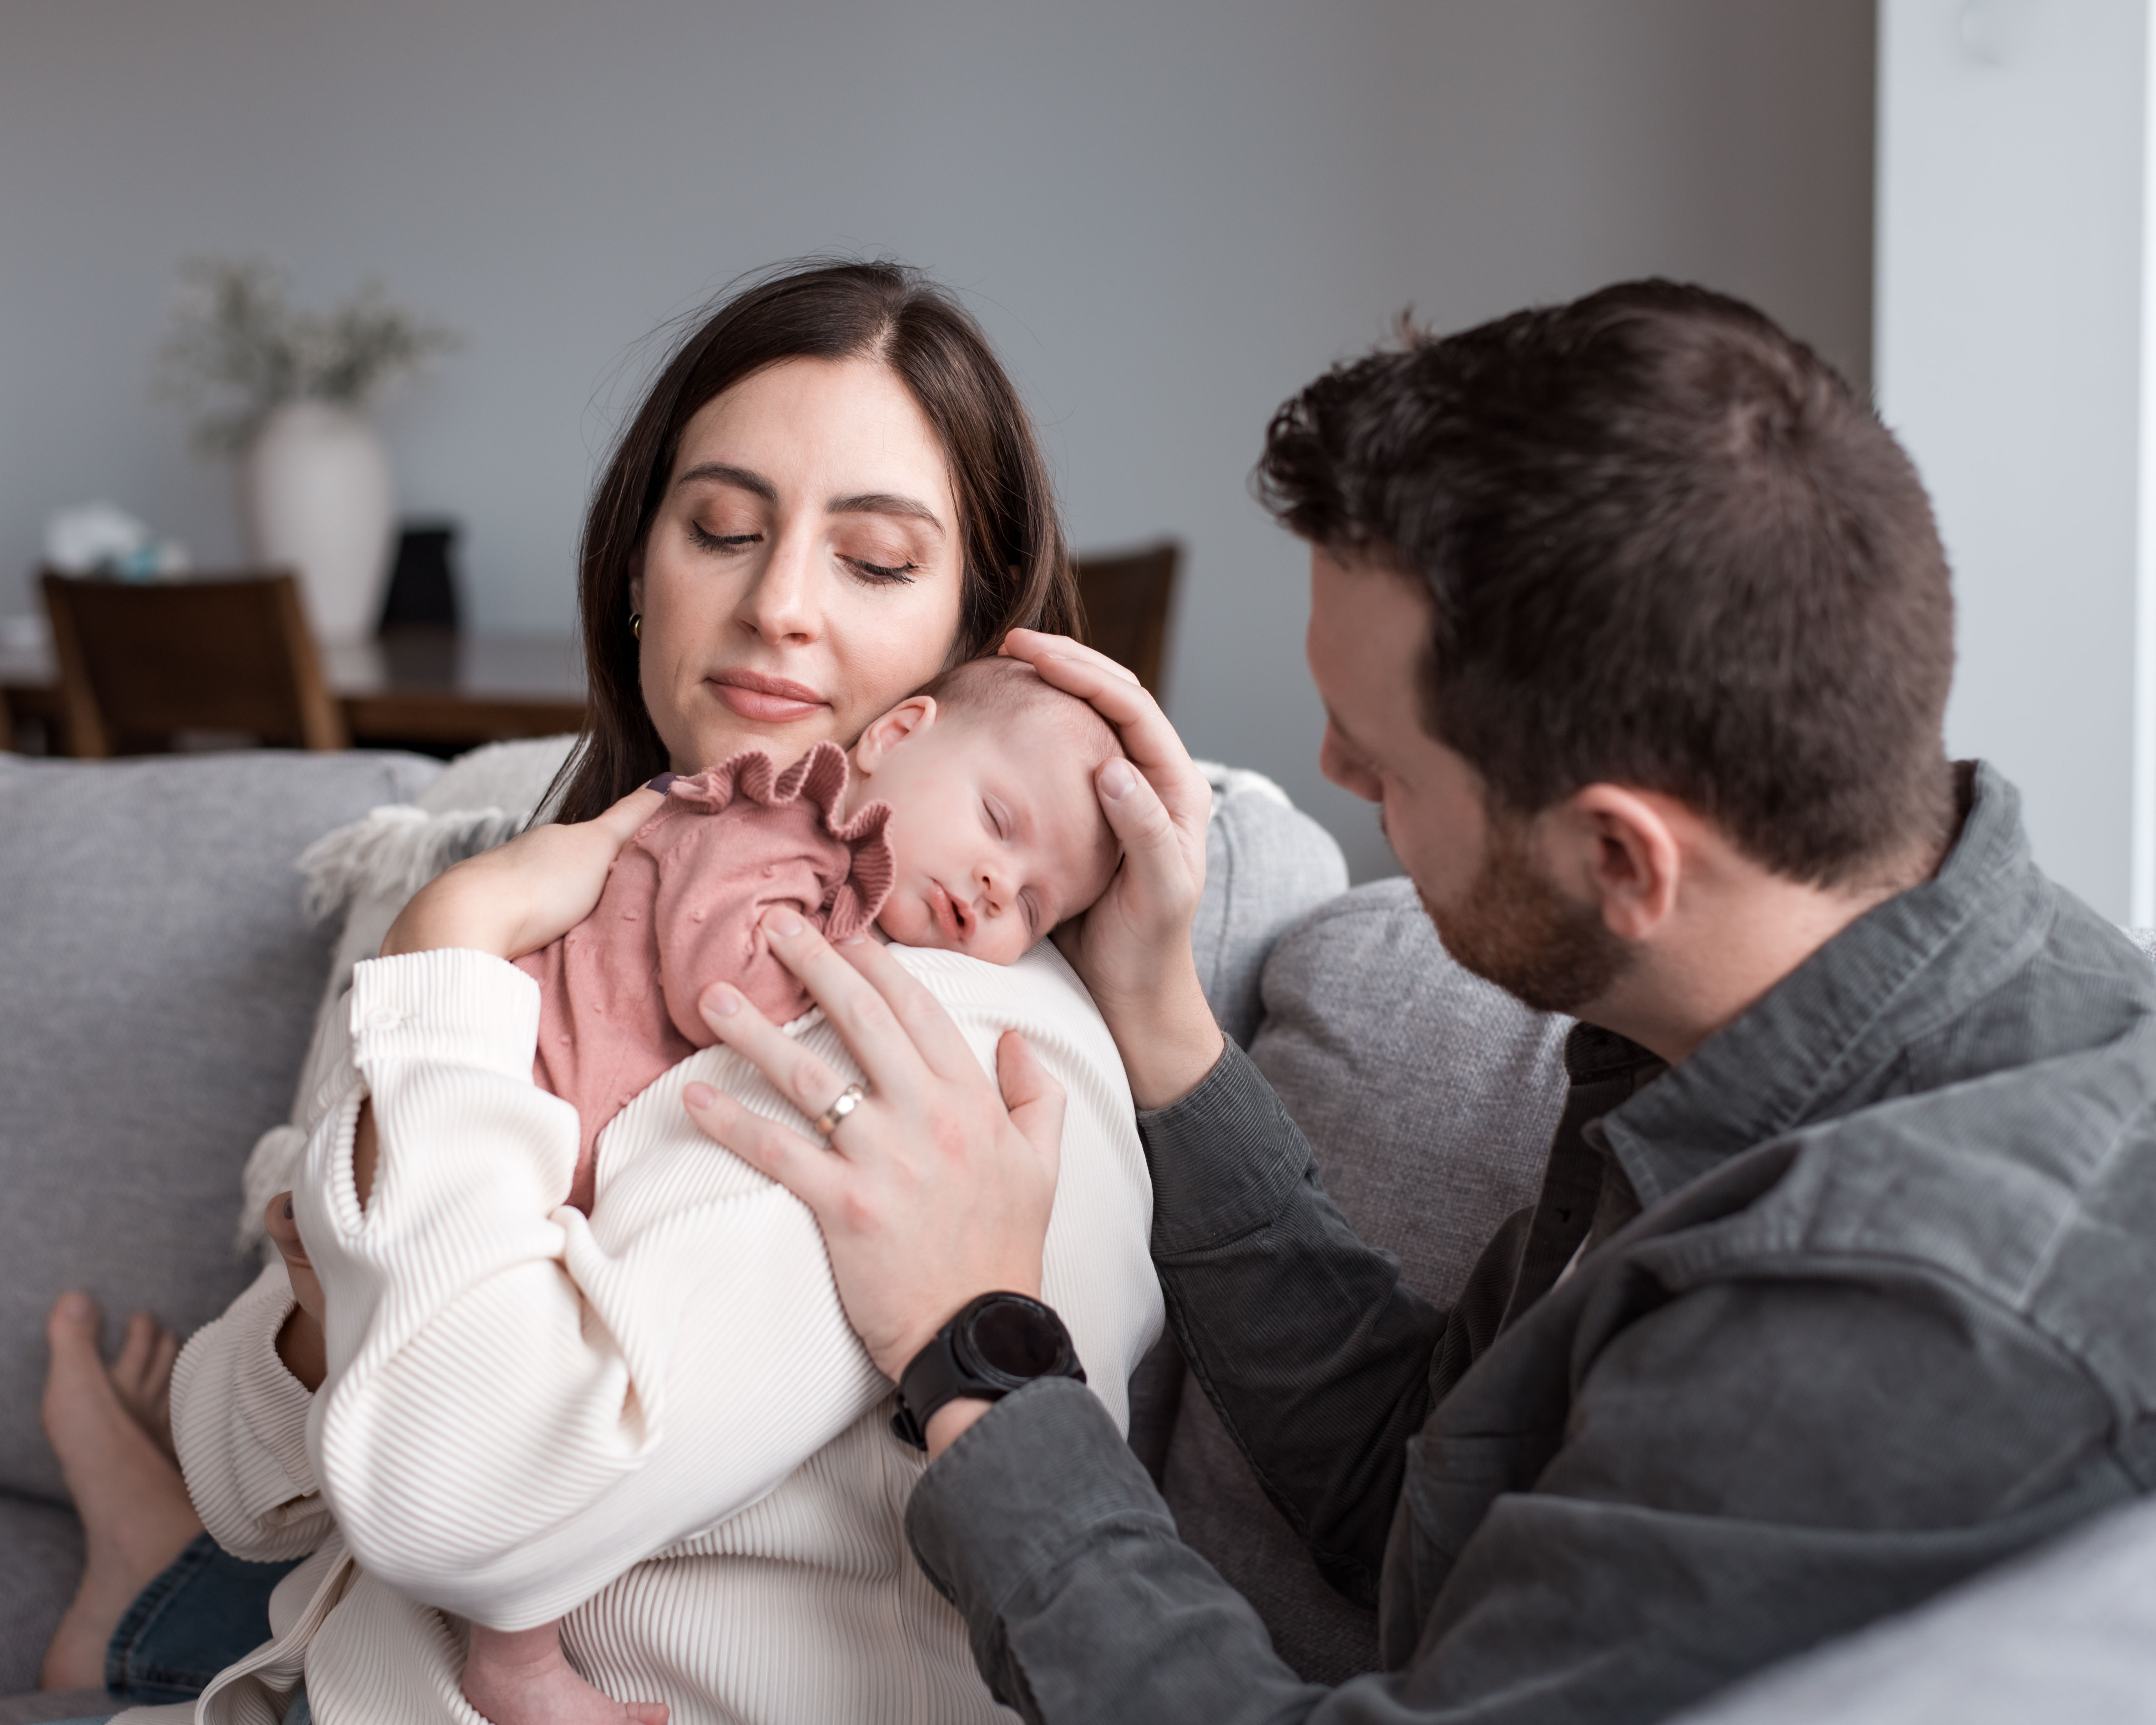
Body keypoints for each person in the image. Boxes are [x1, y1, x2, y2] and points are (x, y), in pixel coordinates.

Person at [677, 281, 2156, 1724]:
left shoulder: (1887, 1326)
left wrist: (977, 1347)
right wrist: (1160, 1020)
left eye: (1381, 761)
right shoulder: (1747, 1028)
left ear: (1619, 859)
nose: (1328, 775)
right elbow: (1408, 1484)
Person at [39, 259, 1161, 1725]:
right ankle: (139, 1594)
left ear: (962, 648)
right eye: (720, 529)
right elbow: (254, 1472)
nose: (776, 605)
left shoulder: (942, 1035)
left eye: (876, 563)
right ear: (639, 568)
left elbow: (454, 1502)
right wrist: (334, 1307)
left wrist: (442, 976)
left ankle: (136, 1603)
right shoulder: (545, 888)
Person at [422, 657, 1123, 1725]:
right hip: (536, 1093)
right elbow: (718, 981)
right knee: (491, 1362)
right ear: (895, 736)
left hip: (565, 1142)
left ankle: (511, 1658)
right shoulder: (783, 823)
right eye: (995, 820)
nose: (995, 886)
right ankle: (512, 1662)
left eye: (1033, 900)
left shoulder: (973, 1002)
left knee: (514, 1381)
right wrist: (828, 966)